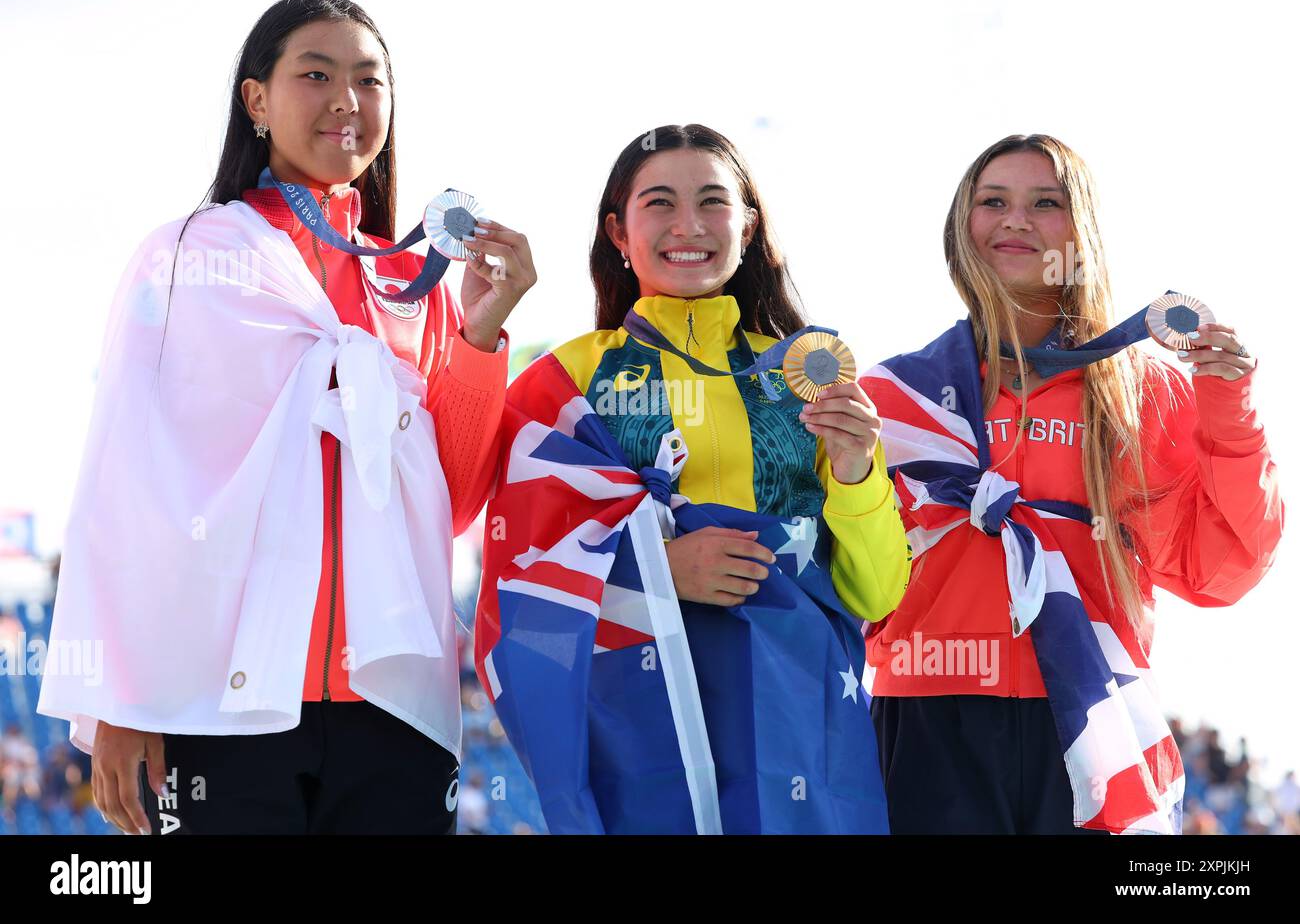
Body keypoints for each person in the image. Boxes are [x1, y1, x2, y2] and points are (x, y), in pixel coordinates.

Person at [37, 0, 536, 834]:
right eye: (316, 74)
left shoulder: (414, 284)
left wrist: (482, 336)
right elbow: (127, 480)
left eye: (369, 81)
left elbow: (446, 505)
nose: (346, 99)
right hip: (221, 700)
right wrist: (122, 695)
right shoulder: (191, 254)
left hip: (394, 703)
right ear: (257, 100)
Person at [474, 124, 911, 833]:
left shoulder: (806, 379)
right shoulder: (563, 383)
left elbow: (877, 590)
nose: (689, 226)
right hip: (637, 725)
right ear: (618, 231)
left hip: (797, 717)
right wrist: (655, 569)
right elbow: (514, 578)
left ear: (748, 225)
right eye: (659, 204)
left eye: (713, 202)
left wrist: (859, 472)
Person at [861, 134, 1283, 834]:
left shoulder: (1138, 394)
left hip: (1092, 715)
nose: (1016, 220)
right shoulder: (895, 396)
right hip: (931, 717)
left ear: (1079, 232)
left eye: (1044, 204)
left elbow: (1221, 570)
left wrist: (1229, 412)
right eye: (992, 201)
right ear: (960, 228)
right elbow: (852, 571)